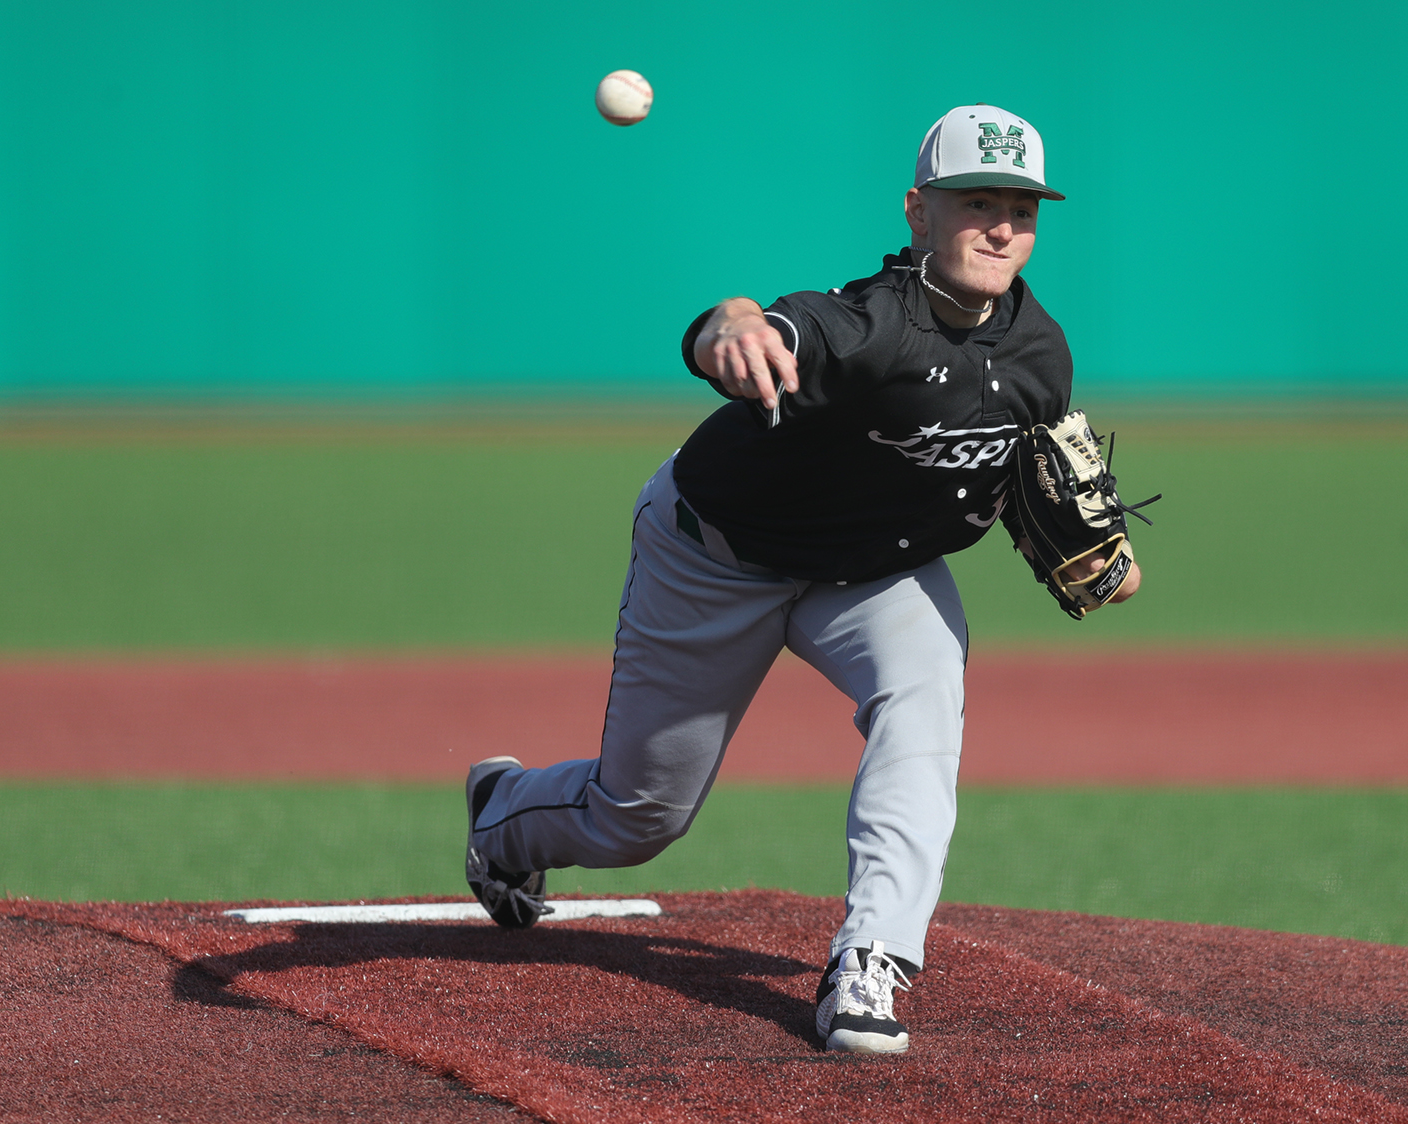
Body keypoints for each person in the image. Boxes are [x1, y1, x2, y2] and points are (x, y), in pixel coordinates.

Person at [462, 104, 1139, 1055]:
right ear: (917, 211)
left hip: (870, 577)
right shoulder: (867, 325)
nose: (1000, 226)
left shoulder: (1041, 357)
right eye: (975, 201)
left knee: (926, 699)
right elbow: (746, 325)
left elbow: (1026, 487)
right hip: (716, 558)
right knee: (639, 816)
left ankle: (873, 961)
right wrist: (733, 328)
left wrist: (1108, 561)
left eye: (1021, 208)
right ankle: (503, 815)